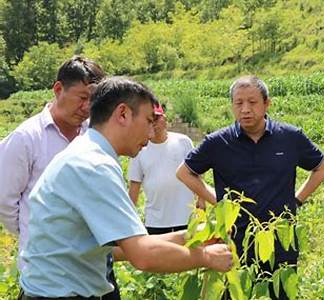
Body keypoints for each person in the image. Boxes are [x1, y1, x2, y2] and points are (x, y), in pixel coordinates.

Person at [18, 77, 233, 299]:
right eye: (149, 121)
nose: (151, 135)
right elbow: (143, 255)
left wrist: (190, 236)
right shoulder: (93, 165)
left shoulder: (85, 153)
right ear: (123, 114)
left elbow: (116, 249)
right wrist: (205, 257)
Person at [176, 75, 324, 299]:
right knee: (238, 292)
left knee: (280, 292)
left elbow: (323, 167)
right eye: (238, 103)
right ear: (232, 106)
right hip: (236, 238)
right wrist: (219, 203)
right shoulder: (218, 142)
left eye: (252, 102)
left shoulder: (289, 137)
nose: (245, 109)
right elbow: (184, 172)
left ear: (267, 103)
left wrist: (296, 200)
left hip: (280, 238)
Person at [0, 56, 105, 268]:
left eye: (93, 100)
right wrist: (35, 230)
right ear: (58, 89)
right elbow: (4, 200)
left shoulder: (93, 135)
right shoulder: (26, 138)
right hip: (44, 265)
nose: (87, 107)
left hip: (90, 263)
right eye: (82, 97)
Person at [128, 102, 195, 234]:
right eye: (150, 120)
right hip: (155, 221)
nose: (154, 123)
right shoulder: (138, 148)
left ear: (165, 119)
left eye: (157, 118)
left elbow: (195, 173)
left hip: (186, 218)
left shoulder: (184, 141)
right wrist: (129, 219)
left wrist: (202, 200)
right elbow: (134, 187)